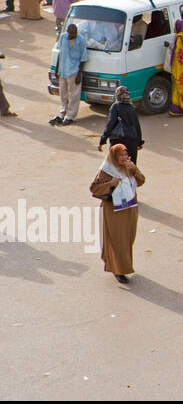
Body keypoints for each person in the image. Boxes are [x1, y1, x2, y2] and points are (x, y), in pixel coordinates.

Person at [89, 143, 145, 285]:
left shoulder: (129, 166)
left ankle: (123, 266)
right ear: (114, 156)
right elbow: (94, 188)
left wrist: (135, 169)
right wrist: (111, 184)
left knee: (127, 238)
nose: (124, 157)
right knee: (117, 240)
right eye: (120, 155)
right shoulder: (106, 170)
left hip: (130, 208)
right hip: (114, 211)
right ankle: (118, 270)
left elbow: (141, 181)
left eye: (125, 154)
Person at [51, 21, 88, 126]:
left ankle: (70, 116)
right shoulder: (63, 37)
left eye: (74, 33)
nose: (71, 35)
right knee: (63, 94)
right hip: (63, 71)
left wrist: (79, 74)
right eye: (70, 33)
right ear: (67, 32)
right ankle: (62, 113)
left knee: (74, 95)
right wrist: (56, 70)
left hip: (74, 71)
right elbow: (60, 54)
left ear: (76, 32)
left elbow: (83, 58)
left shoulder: (81, 41)